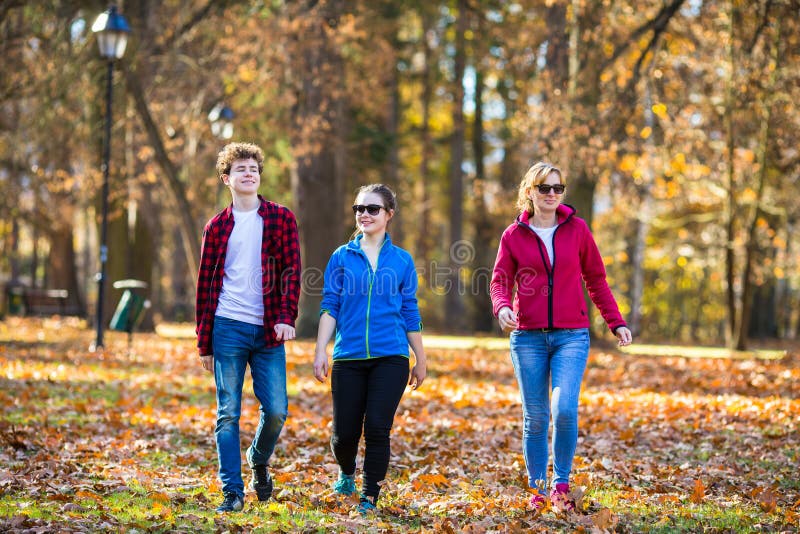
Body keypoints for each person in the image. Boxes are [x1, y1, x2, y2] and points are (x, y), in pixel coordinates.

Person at [490, 161, 632, 512]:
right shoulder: (513, 235)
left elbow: (596, 279)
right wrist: (502, 307)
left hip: (572, 335)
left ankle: (561, 485)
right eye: (544, 188)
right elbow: (500, 281)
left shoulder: (578, 229)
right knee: (536, 417)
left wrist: (615, 322)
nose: (552, 194)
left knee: (564, 408)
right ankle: (538, 490)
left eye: (558, 188)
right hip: (527, 337)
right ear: (530, 192)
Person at [195, 142, 301, 513]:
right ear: (227, 178)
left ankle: (257, 458)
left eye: (254, 168)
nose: (249, 173)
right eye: (241, 168)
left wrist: (287, 316)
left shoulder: (281, 218)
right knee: (228, 412)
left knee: (277, 410)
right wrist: (204, 343)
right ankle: (232, 492)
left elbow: (291, 272)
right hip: (227, 327)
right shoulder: (216, 227)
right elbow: (205, 285)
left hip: (269, 328)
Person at [313, 184, 426, 515]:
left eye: (372, 209)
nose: (364, 214)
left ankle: (369, 498)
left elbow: (410, 311)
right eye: (359, 208)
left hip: (391, 357)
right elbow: (330, 305)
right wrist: (321, 350)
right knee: (344, 435)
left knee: (377, 427)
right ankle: (346, 473)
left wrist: (421, 358)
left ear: (389, 214)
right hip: (348, 356)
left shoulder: (402, 260)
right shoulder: (341, 256)